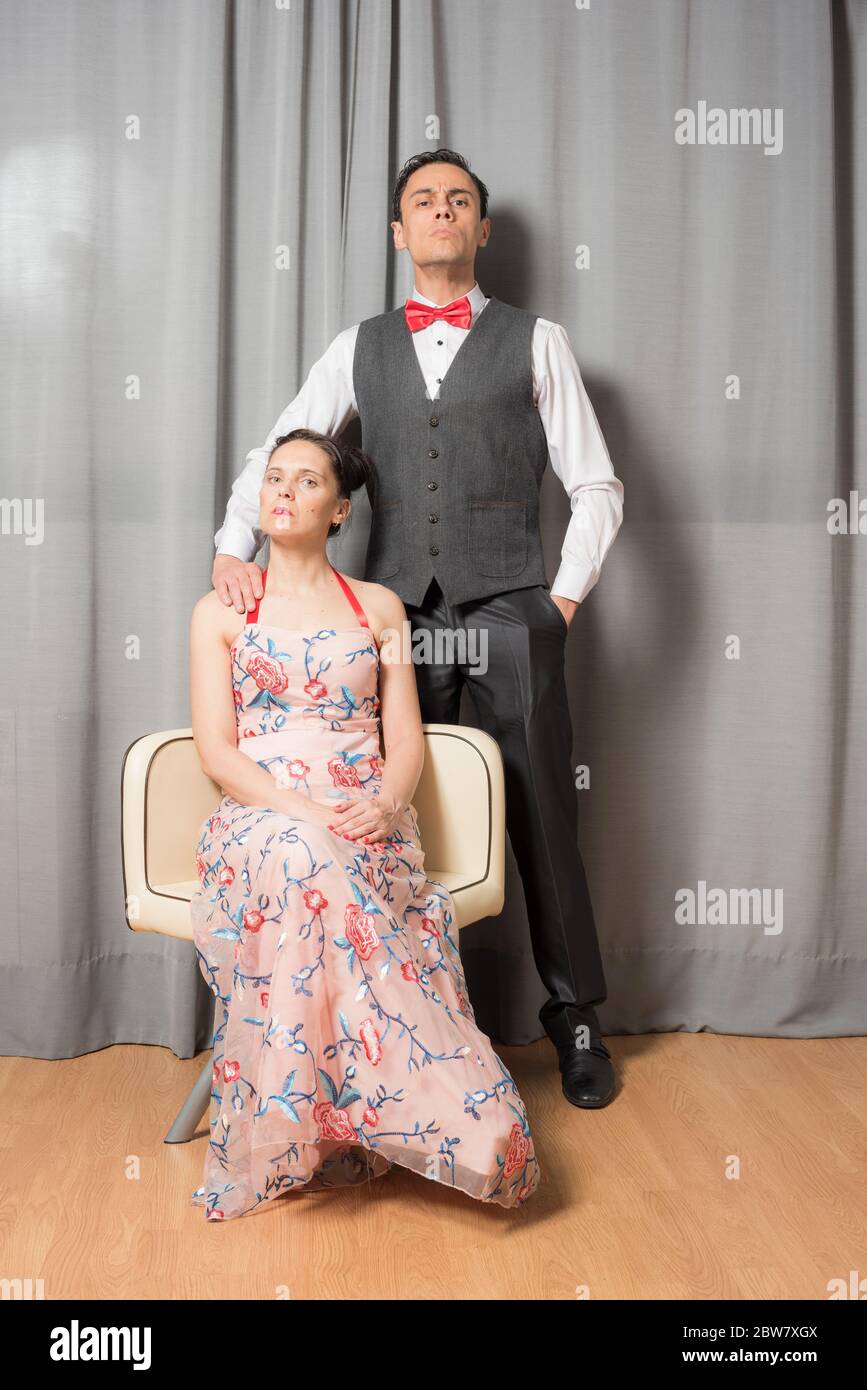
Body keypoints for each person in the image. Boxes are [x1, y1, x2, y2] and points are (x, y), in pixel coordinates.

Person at [212, 148, 624, 1109]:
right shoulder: (356, 347)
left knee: (538, 812)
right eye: (422, 203)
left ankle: (573, 1019)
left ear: (480, 230)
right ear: (398, 231)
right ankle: (418, 1022)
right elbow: (279, 449)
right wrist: (233, 546)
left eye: (459, 203)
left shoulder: (537, 338)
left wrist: (555, 603)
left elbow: (596, 484)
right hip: (390, 622)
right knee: (401, 813)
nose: (441, 214)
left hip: (509, 608)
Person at [188, 428, 541, 1220]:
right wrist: (309, 813)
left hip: (364, 811)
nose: (282, 491)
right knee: (302, 852)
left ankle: (348, 1117)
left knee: (325, 858)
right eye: (274, 478)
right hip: (261, 816)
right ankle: (444, 1112)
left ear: (339, 509)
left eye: (306, 481)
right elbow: (217, 752)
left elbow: (404, 738)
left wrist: (384, 805)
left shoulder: (377, 607)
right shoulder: (217, 611)